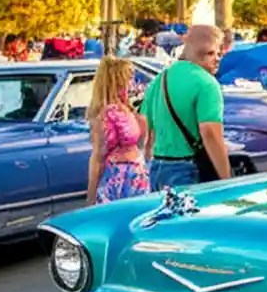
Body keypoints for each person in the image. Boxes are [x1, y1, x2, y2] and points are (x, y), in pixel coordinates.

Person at [141, 24, 231, 189]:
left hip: (157, 168)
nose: (218, 59)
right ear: (198, 53)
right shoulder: (206, 83)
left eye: (219, 53)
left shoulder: (160, 78)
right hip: (186, 170)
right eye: (212, 53)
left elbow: (145, 125)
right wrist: (226, 179)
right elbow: (210, 132)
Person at [86, 57, 150, 204]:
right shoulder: (109, 114)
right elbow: (98, 157)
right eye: (128, 79)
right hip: (123, 178)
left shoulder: (119, 111)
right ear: (117, 82)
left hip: (127, 176)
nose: (132, 84)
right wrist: (91, 195)